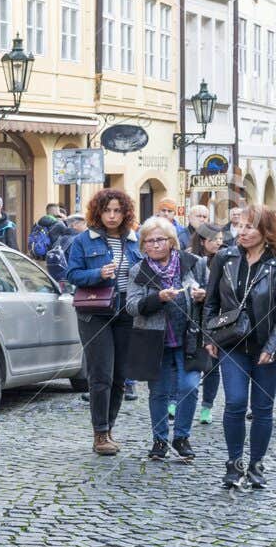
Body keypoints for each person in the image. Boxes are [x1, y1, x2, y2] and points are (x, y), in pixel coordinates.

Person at [203, 203, 276, 490]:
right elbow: (210, 303)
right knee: (234, 402)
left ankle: (256, 465)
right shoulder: (225, 257)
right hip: (232, 343)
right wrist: (210, 336)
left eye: (249, 226)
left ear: (265, 231)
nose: (242, 232)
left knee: (262, 408)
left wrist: (273, 345)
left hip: (266, 348)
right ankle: (233, 465)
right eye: (239, 226)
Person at [64, 188, 141, 456]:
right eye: (107, 210)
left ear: (125, 213)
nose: (112, 215)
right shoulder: (84, 241)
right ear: (98, 212)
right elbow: (71, 274)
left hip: (126, 312)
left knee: (120, 375)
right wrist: (97, 272)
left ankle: (109, 428)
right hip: (94, 313)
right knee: (101, 375)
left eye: (117, 210)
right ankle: (99, 433)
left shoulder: (134, 240)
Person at [125, 217, 207, 462]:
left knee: (189, 387)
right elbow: (131, 307)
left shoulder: (193, 264)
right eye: (148, 241)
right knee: (158, 393)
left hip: (189, 339)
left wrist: (202, 295)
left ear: (172, 242)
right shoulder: (138, 271)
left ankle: (181, 437)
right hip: (154, 341)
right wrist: (157, 298)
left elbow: (210, 295)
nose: (154, 245)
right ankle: (159, 440)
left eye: (159, 239)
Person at [190, 222, 227, 425]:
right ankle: (176, 400)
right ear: (203, 241)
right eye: (215, 239)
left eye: (221, 239)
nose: (219, 243)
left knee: (213, 364)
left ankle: (207, 406)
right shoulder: (190, 257)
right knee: (191, 361)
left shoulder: (225, 258)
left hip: (216, 318)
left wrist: (210, 295)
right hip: (193, 316)